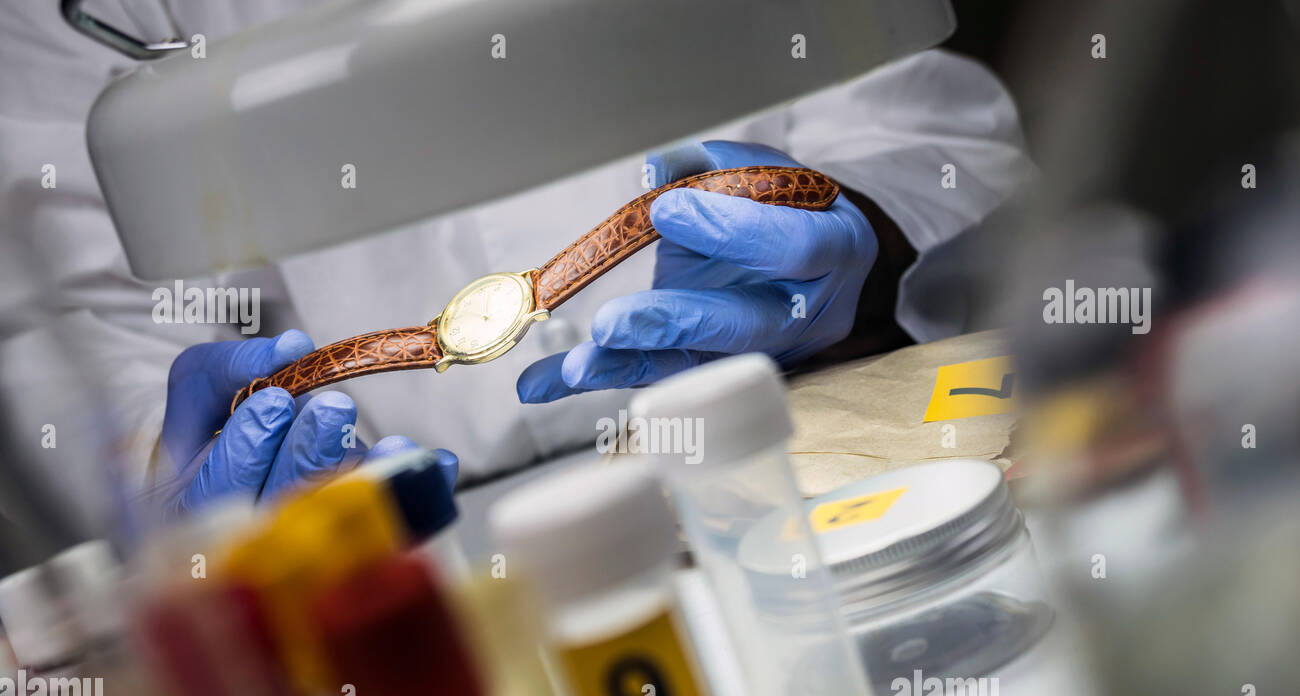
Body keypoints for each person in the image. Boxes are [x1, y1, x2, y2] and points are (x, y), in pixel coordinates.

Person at [0, 1, 1034, 519]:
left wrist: (860, 229)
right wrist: (168, 471)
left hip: (821, 441)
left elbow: (912, 106)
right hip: (416, 554)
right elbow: (74, 314)